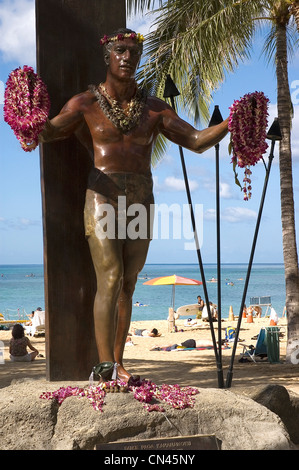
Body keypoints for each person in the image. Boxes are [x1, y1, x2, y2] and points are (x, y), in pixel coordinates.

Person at [37, 28, 229, 383]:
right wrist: (28, 117)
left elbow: (197, 140)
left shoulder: (155, 108)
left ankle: (119, 364)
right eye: (120, 51)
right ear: (107, 56)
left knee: (128, 284)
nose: (127, 58)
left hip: (142, 199)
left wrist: (232, 122)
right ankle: (105, 366)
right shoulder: (85, 103)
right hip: (102, 196)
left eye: (133, 53)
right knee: (110, 277)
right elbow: (49, 132)